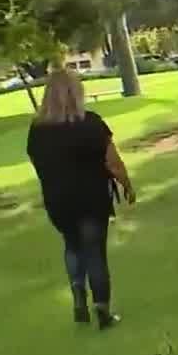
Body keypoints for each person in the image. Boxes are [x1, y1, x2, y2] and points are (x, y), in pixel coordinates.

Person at [26, 70, 136, 329]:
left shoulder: (38, 129)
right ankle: (102, 311)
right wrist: (128, 186)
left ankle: (78, 297)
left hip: (58, 201)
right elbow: (114, 163)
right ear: (76, 93)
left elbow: (36, 161)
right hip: (91, 198)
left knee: (72, 245)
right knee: (95, 252)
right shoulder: (91, 123)